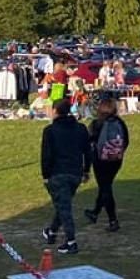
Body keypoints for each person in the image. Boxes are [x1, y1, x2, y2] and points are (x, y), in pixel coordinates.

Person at [40, 99, 92, 254]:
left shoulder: (50, 130)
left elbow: (46, 155)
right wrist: (86, 170)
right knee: (63, 203)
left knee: (64, 208)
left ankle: (71, 241)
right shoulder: (81, 128)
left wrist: (46, 174)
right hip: (75, 173)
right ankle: (52, 231)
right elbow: (87, 151)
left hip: (58, 173)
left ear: (55, 110)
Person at [84, 98, 130, 232]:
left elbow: (89, 142)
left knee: (105, 188)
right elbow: (126, 140)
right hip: (116, 160)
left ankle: (113, 219)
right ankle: (95, 211)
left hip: (100, 160)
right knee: (106, 185)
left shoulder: (97, 124)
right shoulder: (120, 123)